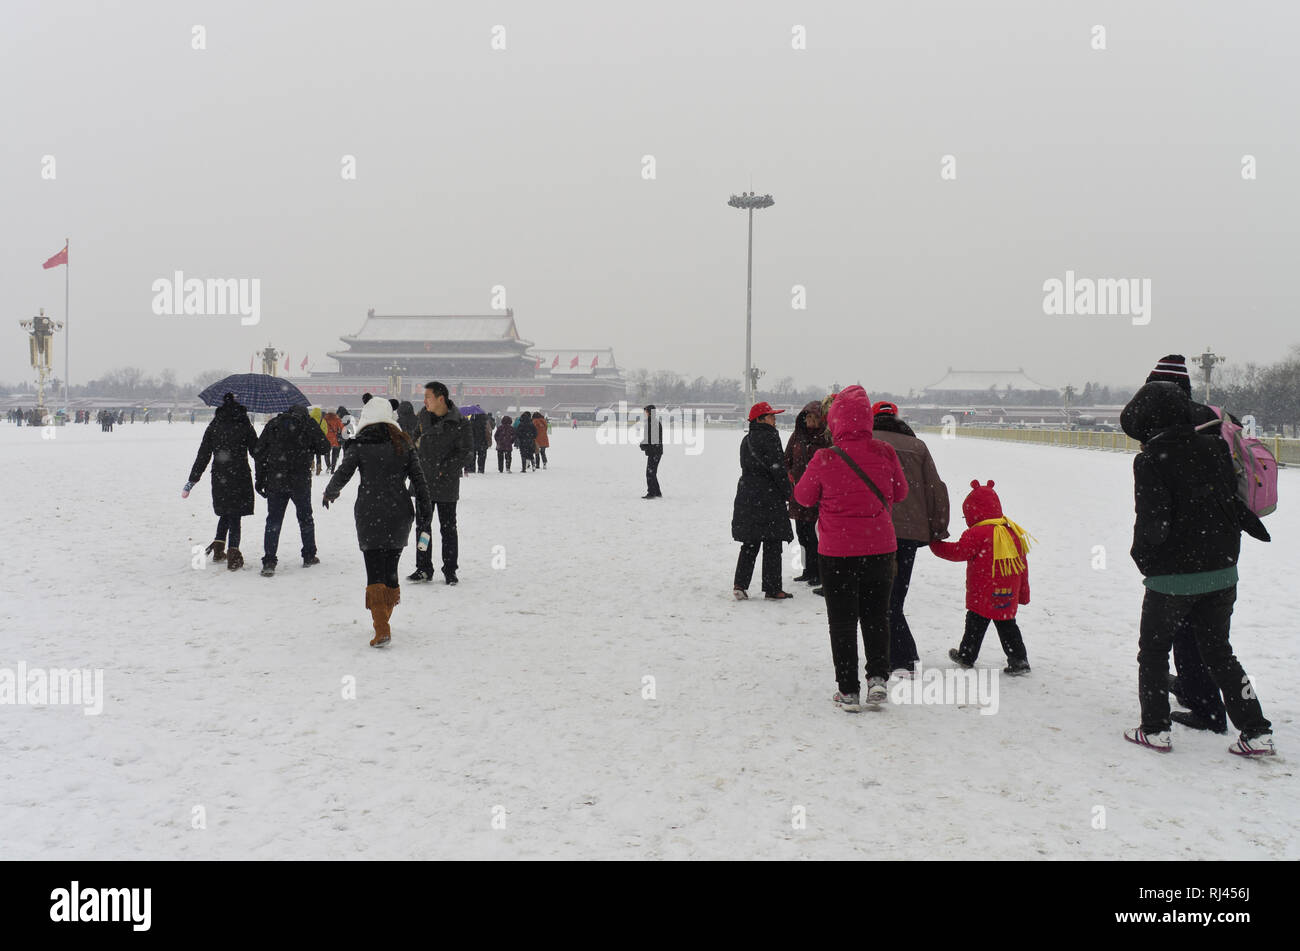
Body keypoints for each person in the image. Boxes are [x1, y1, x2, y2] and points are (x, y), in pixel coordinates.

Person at [1119, 381, 1275, 756]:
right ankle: (1256, 730)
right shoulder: (1215, 446)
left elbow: (1153, 522)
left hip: (1173, 576)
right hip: (1222, 570)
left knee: (1153, 652)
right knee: (1220, 652)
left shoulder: (1151, 459)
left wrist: (1144, 558)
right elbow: (1230, 505)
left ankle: (1155, 728)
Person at [794, 386, 908, 710]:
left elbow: (803, 497)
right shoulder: (885, 451)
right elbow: (900, 493)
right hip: (880, 548)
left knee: (842, 622)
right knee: (876, 617)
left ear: (836, 421)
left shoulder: (825, 457)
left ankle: (848, 690)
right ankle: (877, 680)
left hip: (837, 551)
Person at [1142, 355, 1231, 732]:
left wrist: (1146, 555)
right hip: (1221, 545)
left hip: (1182, 550)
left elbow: (1161, 503)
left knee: (1184, 633)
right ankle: (1203, 696)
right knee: (1211, 636)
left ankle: (1204, 705)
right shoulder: (1216, 418)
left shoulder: (1175, 423)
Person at [323, 396, 431, 647]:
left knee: (374, 570)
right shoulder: (404, 444)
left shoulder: (360, 444)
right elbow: (420, 482)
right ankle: (383, 620)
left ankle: (381, 627)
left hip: (369, 513)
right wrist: (425, 511)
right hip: (399, 513)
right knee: (390, 571)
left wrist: (330, 492)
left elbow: (343, 473)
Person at [871, 401, 951, 674]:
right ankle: (902, 655)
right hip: (909, 531)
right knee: (896, 596)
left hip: (874, 528)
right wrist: (938, 528)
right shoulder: (917, 446)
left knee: (878, 597)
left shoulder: (867, 443)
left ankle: (901, 656)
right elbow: (935, 488)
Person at [931, 480, 1033, 675]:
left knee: (975, 624)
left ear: (974, 511)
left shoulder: (977, 533)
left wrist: (935, 545)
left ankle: (967, 656)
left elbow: (957, 552)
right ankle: (1019, 660)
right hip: (1007, 593)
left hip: (983, 592)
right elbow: (1022, 567)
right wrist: (1023, 593)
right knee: (1007, 625)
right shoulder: (1013, 531)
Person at [253, 402, 330, 576]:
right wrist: (309, 445)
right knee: (305, 518)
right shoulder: (308, 424)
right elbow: (325, 447)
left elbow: (258, 452)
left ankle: (269, 561)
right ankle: (309, 555)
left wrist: (260, 479)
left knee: (273, 521)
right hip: (300, 481)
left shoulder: (273, 424)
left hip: (275, 480)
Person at [183, 393, 258, 571]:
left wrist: (193, 479)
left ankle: (218, 549)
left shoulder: (214, 426)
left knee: (226, 511)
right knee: (235, 514)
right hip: (239, 474)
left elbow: (203, 454)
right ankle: (233, 554)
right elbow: (256, 451)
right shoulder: (244, 424)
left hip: (220, 475)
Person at [410, 381, 474, 584]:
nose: (424, 401)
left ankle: (450, 569)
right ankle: (423, 567)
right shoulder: (422, 418)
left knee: (448, 528)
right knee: (423, 528)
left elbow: (467, 453)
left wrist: (445, 468)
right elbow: (413, 443)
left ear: (441, 398)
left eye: (428, 396)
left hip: (445, 482)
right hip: (423, 483)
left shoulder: (460, 422)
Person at [732, 402, 795, 600]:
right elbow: (778, 469)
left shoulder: (746, 439)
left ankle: (740, 584)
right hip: (769, 496)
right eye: (771, 416)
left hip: (747, 494)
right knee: (773, 543)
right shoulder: (770, 437)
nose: (774, 420)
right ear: (760, 419)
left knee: (750, 543)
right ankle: (772, 587)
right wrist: (789, 493)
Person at [785, 400, 831, 587]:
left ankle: (819, 572)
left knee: (815, 536)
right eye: (808, 419)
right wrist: (790, 475)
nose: (810, 422)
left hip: (819, 495)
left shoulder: (827, 439)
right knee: (802, 534)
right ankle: (807, 570)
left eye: (814, 418)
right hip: (798, 493)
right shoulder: (797, 437)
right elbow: (786, 459)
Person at [640, 404, 663, 498]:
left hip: (655, 452)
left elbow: (653, 439)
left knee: (650, 473)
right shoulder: (651, 422)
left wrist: (644, 445)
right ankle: (657, 492)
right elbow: (649, 438)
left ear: (650, 412)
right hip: (654, 451)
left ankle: (652, 493)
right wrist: (644, 444)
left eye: (646, 412)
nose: (645, 413)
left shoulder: (653, 423)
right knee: (652, 472)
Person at [323, 408, 344, 473]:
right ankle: (332, 469)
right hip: (334, 439)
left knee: (326, 453)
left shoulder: (324, 419)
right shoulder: (337, 419)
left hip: (326, 439)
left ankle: (328, 466)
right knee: (334, 455)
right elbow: (342, 427)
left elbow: (322, 428)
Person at [309, 407, 329, 475]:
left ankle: (311, 465)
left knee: (311, 453)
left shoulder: (310, 420)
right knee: (318, 454)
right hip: (319, 440)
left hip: (311, 439)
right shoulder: (322, 421)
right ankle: (319, 467)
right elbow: (326, 430)